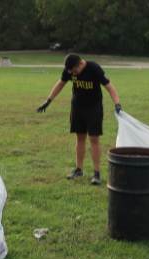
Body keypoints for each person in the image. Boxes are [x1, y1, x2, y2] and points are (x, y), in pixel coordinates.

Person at [36, 53, 122, 185]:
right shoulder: (70, 70)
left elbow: (110, 88)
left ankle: (96, 173)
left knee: (94, 138)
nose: (73, 74)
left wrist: (117, 104)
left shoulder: (94, 69)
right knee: (80, 137)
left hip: (94, 107)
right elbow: (60, 84)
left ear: (81, 64)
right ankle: (78, 169)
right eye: (71, 72)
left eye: (75, 71)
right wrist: (48, 101)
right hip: (77, 106)